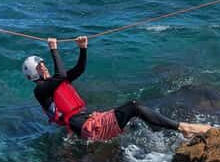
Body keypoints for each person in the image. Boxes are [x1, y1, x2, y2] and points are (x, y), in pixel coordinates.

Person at [23, 36, 210, 141]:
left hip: (89, 121)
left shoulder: (54, 83)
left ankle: (167, 135)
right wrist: (54, 49)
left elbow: (79, 69)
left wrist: (83, 49)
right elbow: (62, 75)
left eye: (44, 64)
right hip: (89, 128)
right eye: (40, 67)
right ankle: (184, 128)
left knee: (135, 120)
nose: (44, 67)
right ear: (33, 74)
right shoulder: (40, 90)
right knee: (134, 107)